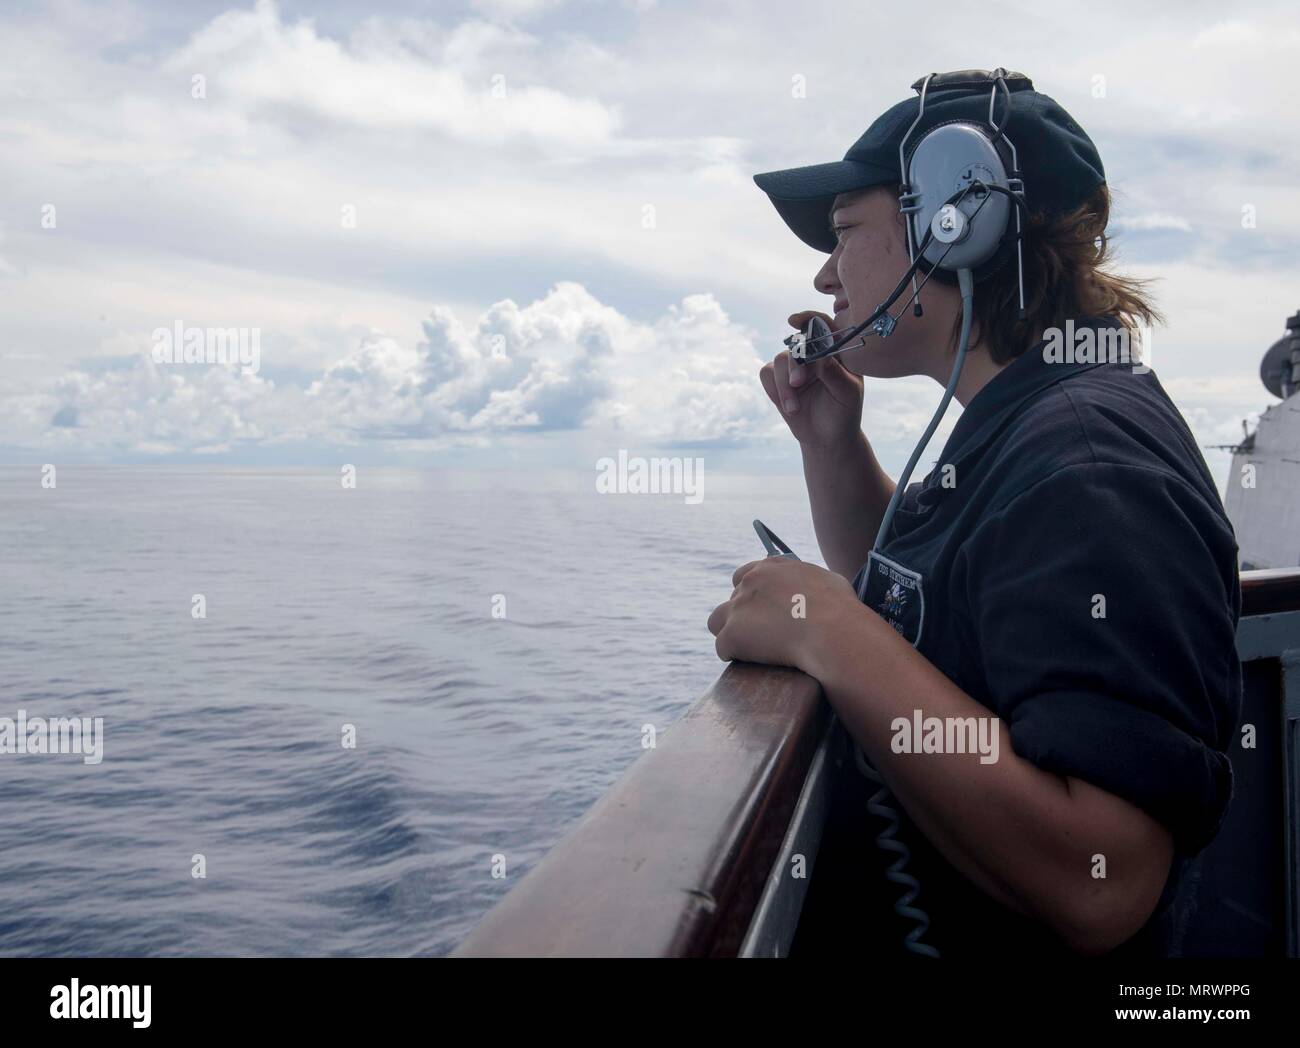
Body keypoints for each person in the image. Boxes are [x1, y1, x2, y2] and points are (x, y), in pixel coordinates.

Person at [707, 70, 1241, 957]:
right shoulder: (1031, 421)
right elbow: (941, 596)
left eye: (844, 233)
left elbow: (1103, 879)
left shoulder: (1087, 464)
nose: (824, 273)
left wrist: (827, 631)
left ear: (955, 223)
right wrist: (833, 448)